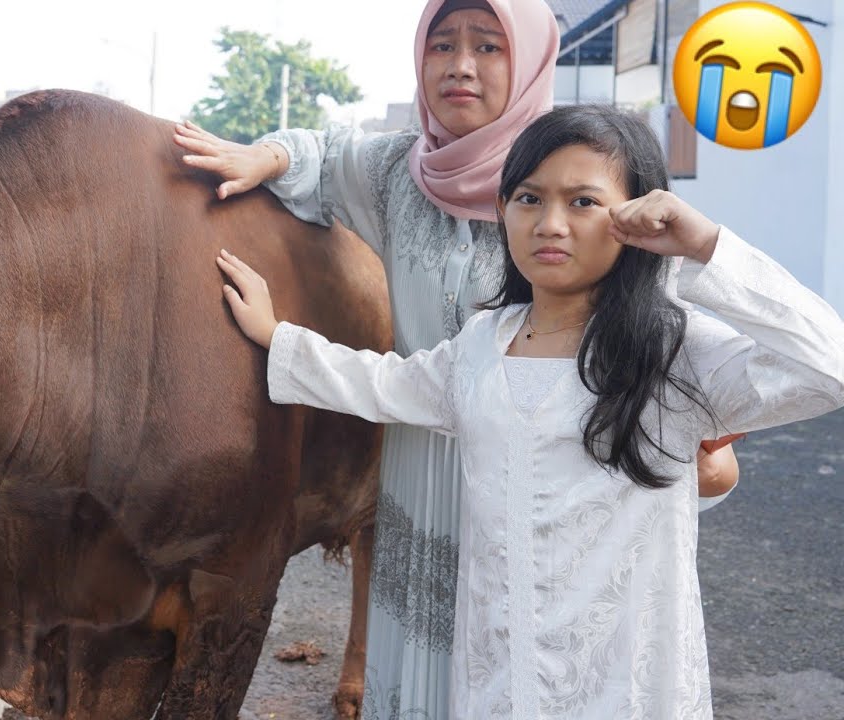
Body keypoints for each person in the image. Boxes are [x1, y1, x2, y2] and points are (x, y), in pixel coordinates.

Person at [173, 0, 740, 714]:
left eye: (488, 47)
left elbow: (654, 330)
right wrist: (266, 157)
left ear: (532, 59)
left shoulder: (588, 180)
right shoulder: (398, 172)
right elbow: (320, 154)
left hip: (546, 471)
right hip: (419, 443)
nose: (460, 66)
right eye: (442, 45)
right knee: (422, 656)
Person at [212, 103, 844, 718]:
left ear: (640, 214)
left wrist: (706, 248)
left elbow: (828, 368)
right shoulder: (485, 344)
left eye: (584, 201)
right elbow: (387, 383)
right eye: (530, 198)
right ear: (503, 210)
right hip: (498, 681)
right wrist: (279, 336)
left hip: (629, 690)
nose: (551, 223)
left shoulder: (672, 356)